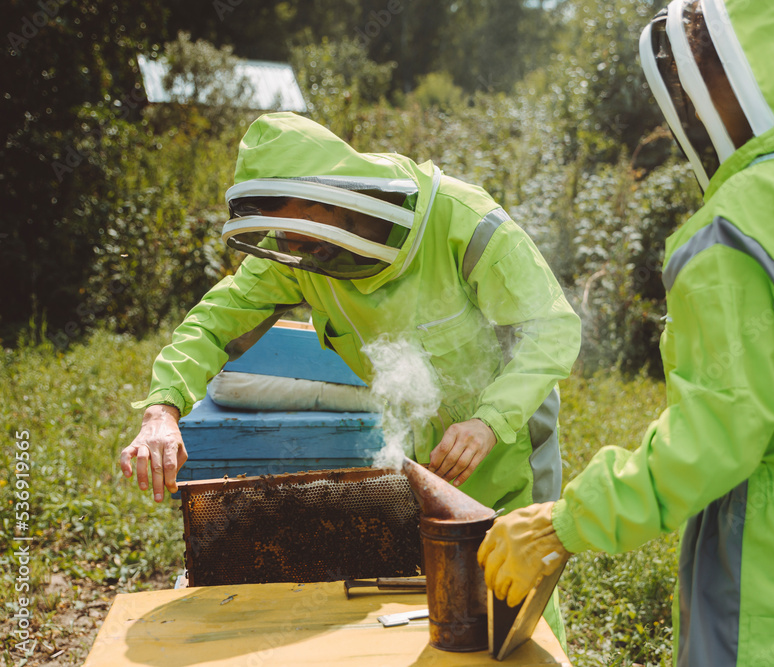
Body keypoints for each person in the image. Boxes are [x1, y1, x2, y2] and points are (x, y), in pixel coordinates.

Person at [478, 1, 774, 665]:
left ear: (746, 69)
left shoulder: (742, 224)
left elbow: (717, 434)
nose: (695, 108)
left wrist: (566, 520)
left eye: (702, 79)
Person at [119, 111, 580, 642]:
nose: (295, 247)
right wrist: (163, 408)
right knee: (437, 591)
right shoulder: (297, 252)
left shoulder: (465, 223)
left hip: (508, 432)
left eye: (303, 230)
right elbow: (217, 320)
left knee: (518, 585)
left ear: (336, 195)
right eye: (285, 236)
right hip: (421, 436)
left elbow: (550, 329)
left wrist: (489, 421)